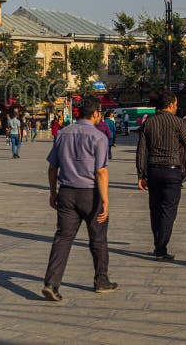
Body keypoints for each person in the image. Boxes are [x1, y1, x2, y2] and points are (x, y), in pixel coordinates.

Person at [42, 95, 116, 301]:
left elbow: (52, 167)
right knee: (98, 238)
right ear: (95, 114)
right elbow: (101, 171)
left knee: (63, 238)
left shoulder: (63, 134)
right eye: (100, 112)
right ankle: (101, 281)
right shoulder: (98, 137)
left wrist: (53, 192)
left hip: (66, 192)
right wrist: (106, 200)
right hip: (90, 194)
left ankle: (51, 283)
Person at [135, 91, 186, 260]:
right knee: (169, 210)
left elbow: (141, 150)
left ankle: (159, 243)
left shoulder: (148, 123)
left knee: (155, 209)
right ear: (171, 105)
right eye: (176, 104)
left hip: (153, 171)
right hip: (172, 171)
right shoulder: (178, 123)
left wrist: (140, 175)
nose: (177, 107)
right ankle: (160, 247)